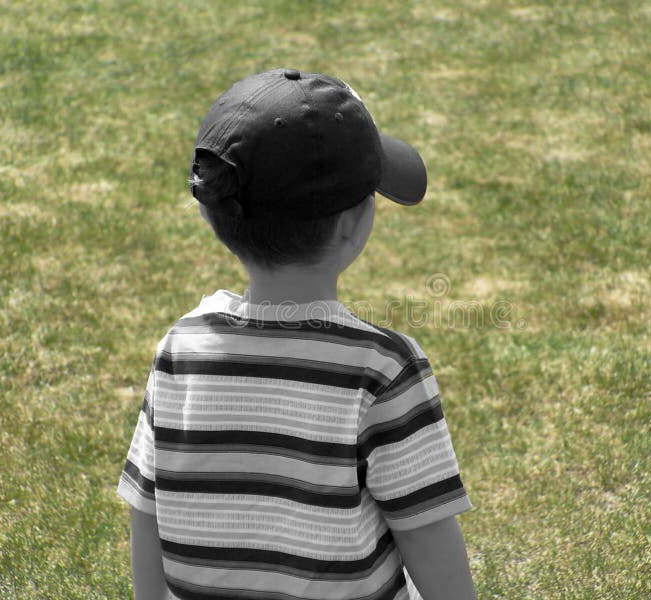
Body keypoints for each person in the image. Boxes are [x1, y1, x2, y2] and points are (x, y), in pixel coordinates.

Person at [117, 67, 476, 600]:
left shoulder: (180, 350)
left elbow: (148, 511)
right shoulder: (382, 370)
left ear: (213, 217)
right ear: (353, 225)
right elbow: (426, 536)